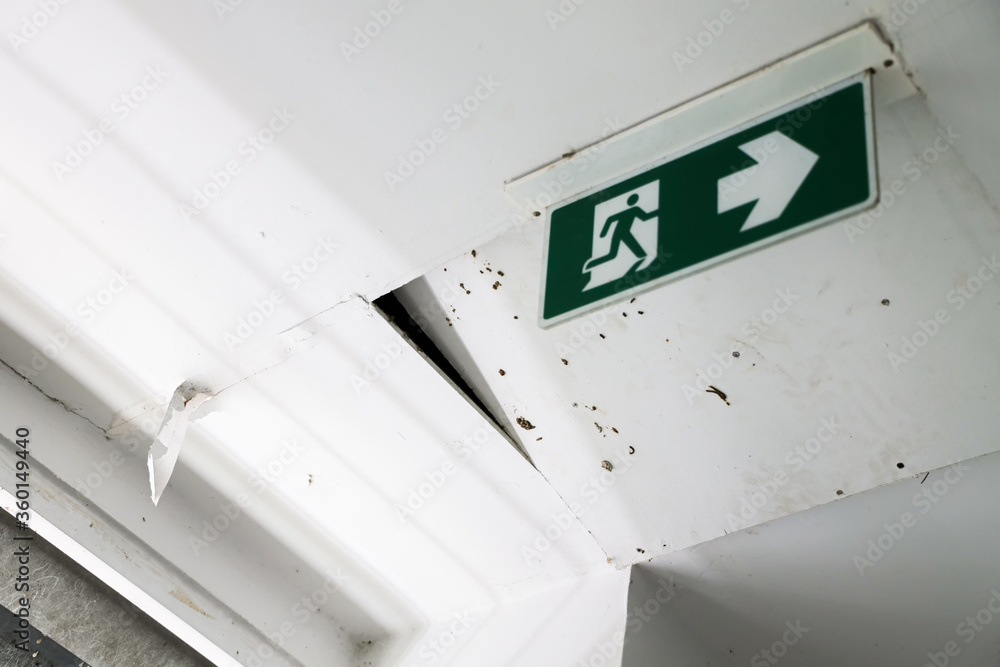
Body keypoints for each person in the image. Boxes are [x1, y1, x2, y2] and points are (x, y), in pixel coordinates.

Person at [583, 194, 657, 270]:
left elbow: (645, 217)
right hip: (622, 234)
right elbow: (610, 219)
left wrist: (604, 233)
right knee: (613, 254)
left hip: (622, 234)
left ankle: (592, 264)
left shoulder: (635, 209)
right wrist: (603, 233)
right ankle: (592, 264)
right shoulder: (634, 210)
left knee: (613, 254)